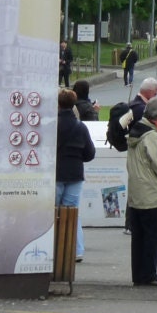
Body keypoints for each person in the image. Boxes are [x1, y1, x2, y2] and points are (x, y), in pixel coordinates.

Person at [126, 97, 157, 285]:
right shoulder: (152, 136)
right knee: (152, 236)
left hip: (137, 190)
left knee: (139, 236)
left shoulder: (136, 131)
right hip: (151, 191)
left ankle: (139, 274)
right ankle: (149, 274)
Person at [55, 89, 95, 262]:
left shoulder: (52, 125)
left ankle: (55, 248)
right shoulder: (80, 126)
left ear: (58, 103)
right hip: (75, 173)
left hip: (56, 172)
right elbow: (90, 153)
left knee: (54, 212)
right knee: (72, 212)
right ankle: (76, 249)